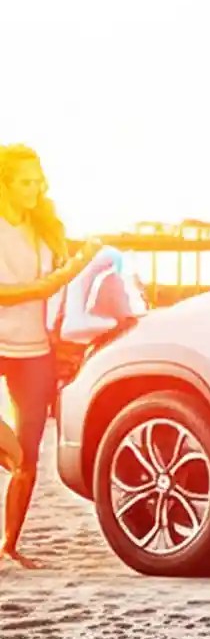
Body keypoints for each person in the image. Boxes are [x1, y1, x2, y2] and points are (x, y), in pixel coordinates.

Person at [0, 144, 101, 568]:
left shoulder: (44, 228)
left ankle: (9, 545)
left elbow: (66, 279)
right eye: (26, 182)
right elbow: (13, 291)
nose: (36, 188)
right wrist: (61, 276)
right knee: (12, 449)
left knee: (27, 458)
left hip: (35, 349)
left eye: (38, 180)